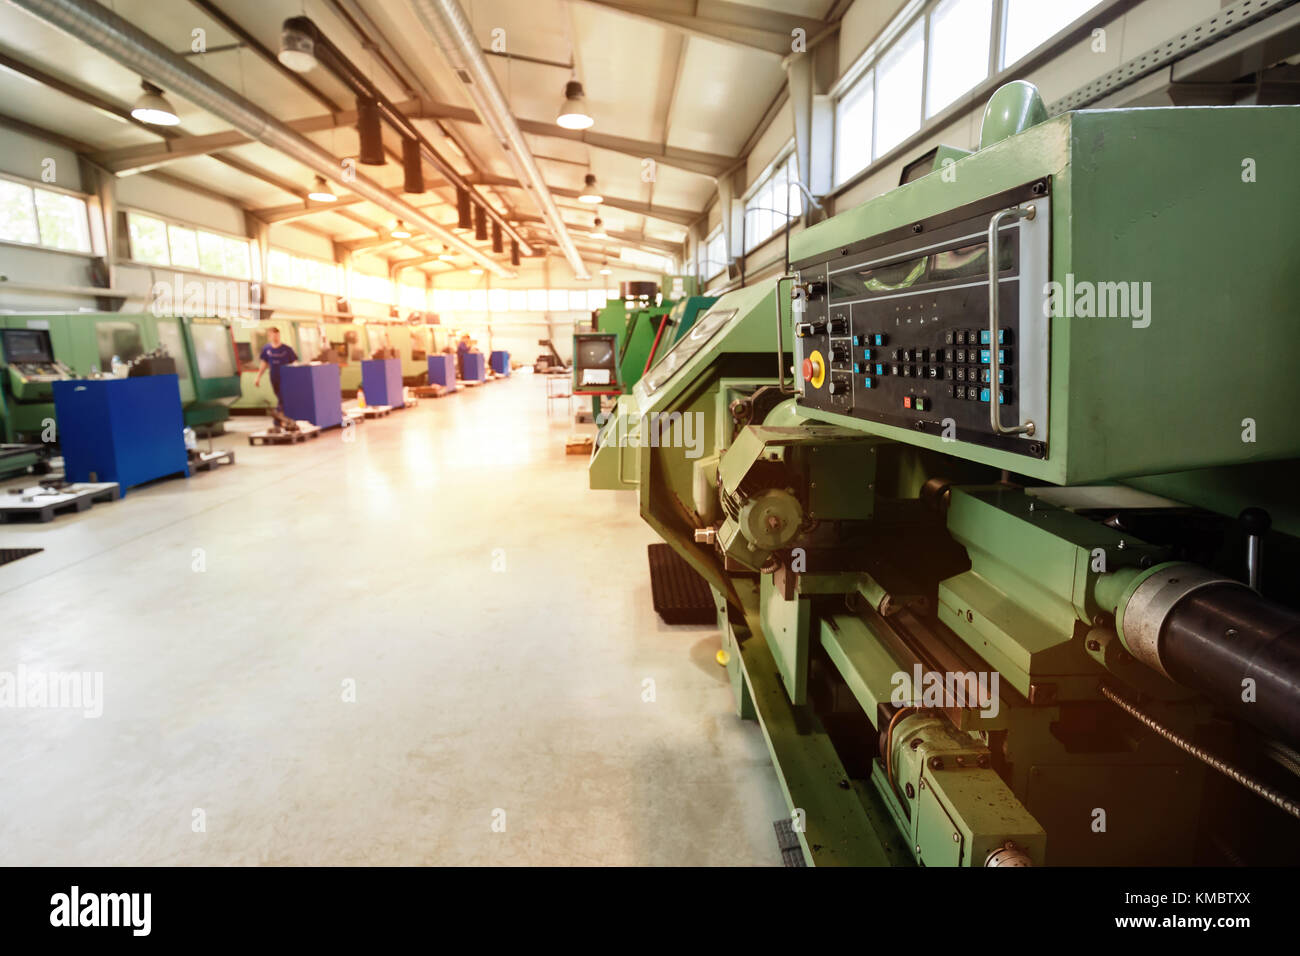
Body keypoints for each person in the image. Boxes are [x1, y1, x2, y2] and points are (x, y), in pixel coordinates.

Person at [253, 326, 298, 410]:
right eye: (273, 335)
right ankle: (282, 415)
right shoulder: (266, 349)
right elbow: (264, 364)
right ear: (269, 336)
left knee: (283, 395)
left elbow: (295, 363)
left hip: (286, 377)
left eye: (277, 335)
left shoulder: (287, 349)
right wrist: (258, 377)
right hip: (274, 376)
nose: (275, 337)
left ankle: (281, 414)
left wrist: (296, 377)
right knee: (278, 394)